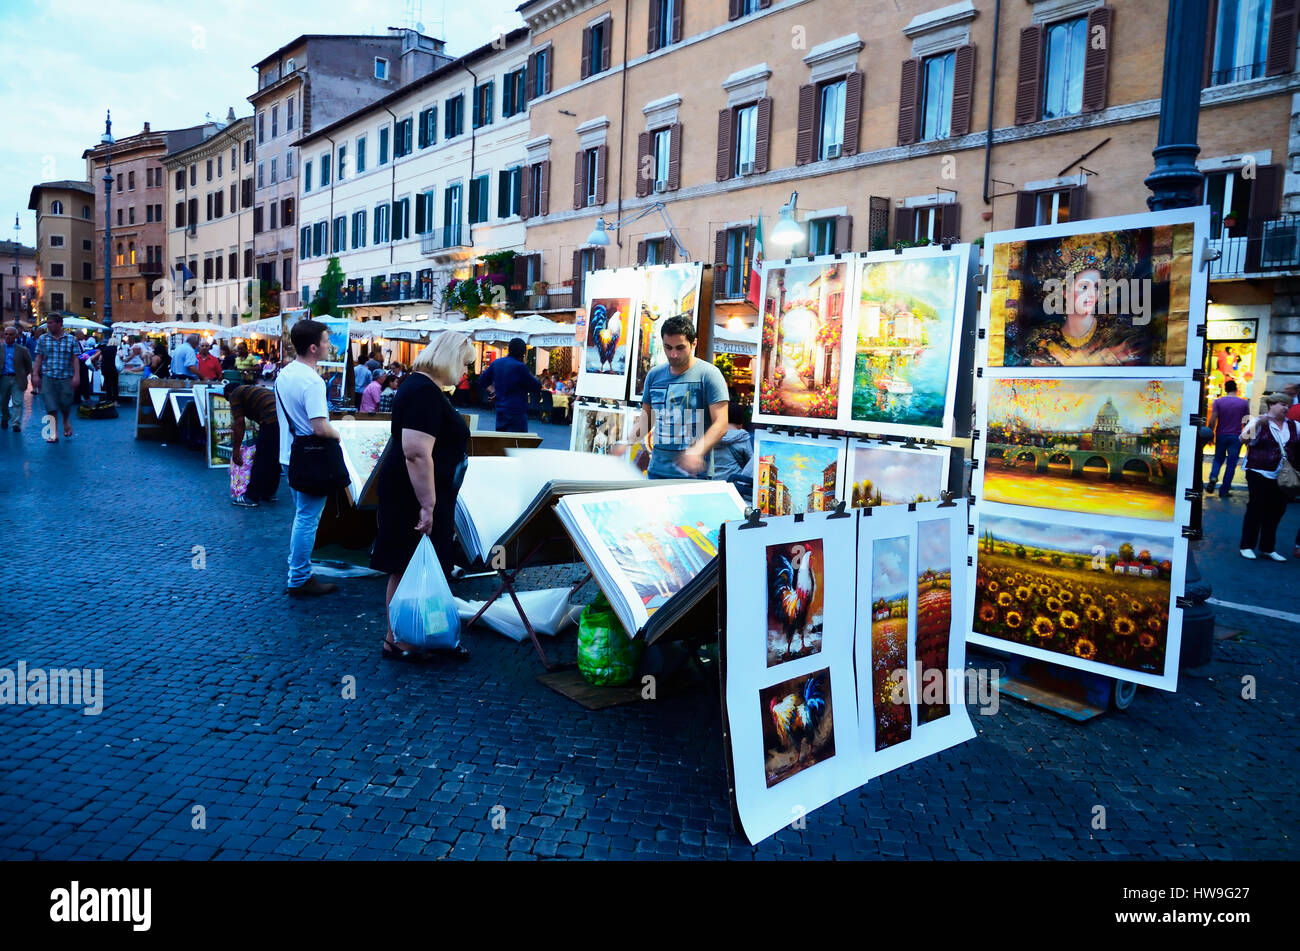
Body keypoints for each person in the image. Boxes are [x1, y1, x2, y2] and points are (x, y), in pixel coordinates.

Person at [371, 331, 475, 662]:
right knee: (405, 564)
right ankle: (399, 639)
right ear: (451, 359)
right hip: (413, 494)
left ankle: (418, 635)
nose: (466, 372)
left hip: (420, 491)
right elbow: (416, 452)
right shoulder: (423, 392)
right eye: (465, 364)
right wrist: (428, 504)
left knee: (420, 564)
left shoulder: (422, 388)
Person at [275, 319, 341, 597]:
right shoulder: (312, 381)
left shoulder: (285, 373)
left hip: (289, 454)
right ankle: (299, 576)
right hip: (310, 457)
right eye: (326, 341)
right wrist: (339, 435)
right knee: (307, 518)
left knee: (302, 515)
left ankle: (298, 570)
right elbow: (319, 427)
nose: (329, 345)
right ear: (313, 347)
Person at [638, 316, 729, 479]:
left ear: (694, 344)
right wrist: (625, 442)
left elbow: (721, 424)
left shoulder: (709, 374)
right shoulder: (654, 375)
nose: (673, 354)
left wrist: (697, 451)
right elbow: (646, 420)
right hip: (657, 472)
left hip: (694, 476)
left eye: (680, 348)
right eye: (668, 347)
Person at [1238, 393, 1300, 561]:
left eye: (1288, 405)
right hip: (1259, 472)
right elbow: (1243, 439)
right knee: (1256, 509)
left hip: (1283, 475)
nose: (1286, 408)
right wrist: (1258, 423)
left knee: (1276, 511)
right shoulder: (1257, 422)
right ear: (1271, 405)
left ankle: (1268, 548)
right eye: (1282, 404)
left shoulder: (1294, 426)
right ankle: (1247, 546)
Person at [225, 381, 281, 507]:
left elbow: (239, 423)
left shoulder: (234, 394)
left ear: (229, 394)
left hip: (270, 418)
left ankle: (251, 496)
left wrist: (236, 450)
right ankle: (268, 492)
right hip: (281, 418)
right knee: (273, 456)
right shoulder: (251, 391)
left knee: (261, 458)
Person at [31, 313, 82, 442]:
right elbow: (39, 357)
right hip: (48, 376)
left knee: (66, 403)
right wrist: (35, 374)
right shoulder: (43, 339)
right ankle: (54, 433)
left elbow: (75, 358)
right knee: (50, 406)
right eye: (47, 323)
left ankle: (65, 420)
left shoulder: (71, 339)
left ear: (59, 324)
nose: (48, 325)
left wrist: (77, 376)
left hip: (66, 376)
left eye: (51, 323)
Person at [478, 337, 541, 432]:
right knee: (517, 440)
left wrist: (493, 391)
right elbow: (537, 386)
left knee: (502, 439)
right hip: (517, 412)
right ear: (523, 353)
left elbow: (482, 380)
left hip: (500, 410)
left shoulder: (497, 363)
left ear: (509, 349)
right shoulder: (520, 367)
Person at [1206, 378, 1251, 498]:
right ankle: (1224, 490)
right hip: (1236, 436)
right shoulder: (1243, 403)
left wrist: (1210, 434)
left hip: (1221, 435)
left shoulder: (1218, 402)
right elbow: (1247, 421)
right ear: (1236, 389)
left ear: (1225, 389)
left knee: (1218, 458)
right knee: (1231, 463)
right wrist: (1248, 439)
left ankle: (1213, 477)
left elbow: (1213, 419)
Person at [1, 325, 33, 433]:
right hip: (3, 378)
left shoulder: (23, 350)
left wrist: (22, 374)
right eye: (6, 334)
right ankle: (5, 417)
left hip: (17, 379)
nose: (8, 336)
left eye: (11, 334)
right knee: (3, 401)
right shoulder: (0, 348)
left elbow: (28, 365)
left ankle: (16, 423)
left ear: (16, 336)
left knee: (17, 402)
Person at [712, 403, 753, 485]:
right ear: (741, 421)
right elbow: (750, 463)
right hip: (733, 484)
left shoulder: (709, 436)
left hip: (710, 482)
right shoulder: (742, 437)